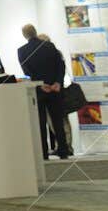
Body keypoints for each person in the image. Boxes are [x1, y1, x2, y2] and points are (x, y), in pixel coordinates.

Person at [17, 24, 72, 159]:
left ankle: (43, 153)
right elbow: (60, 65)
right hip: (55, 90)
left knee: (40, 123)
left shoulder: (22, 51)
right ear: (35, 32)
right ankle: (63, 150)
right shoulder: (50, 46)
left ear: (24, 35)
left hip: (39, 91)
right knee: (58, 121)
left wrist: (40, 84)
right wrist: (57, 82)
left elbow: (27, 71)